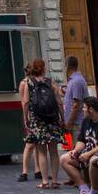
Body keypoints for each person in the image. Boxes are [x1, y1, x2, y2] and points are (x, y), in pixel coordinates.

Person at [21, 58, 64, 187]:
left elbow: (26, 102)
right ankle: (55, 181)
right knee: (54, 151)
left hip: (38, 120)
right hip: (53, 119)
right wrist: (63, 118)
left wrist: (26, 118)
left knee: (41, 151)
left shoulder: (29, 82)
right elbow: (59, 102)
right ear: (44, 68)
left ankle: (45, 181)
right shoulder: (50, 82)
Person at [61, 97, 98, 192]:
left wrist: (89, 154)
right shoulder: (86, 121)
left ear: (91, 109)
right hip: (85, 154)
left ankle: (96, 190)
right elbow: (81, 140)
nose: (83, 109)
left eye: (84, 107)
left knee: (93, 160)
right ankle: (84, 188)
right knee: (64, 159)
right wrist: (76, 150)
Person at [62, 55, 90, 147]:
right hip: (75, 122)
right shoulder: (74, 80)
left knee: (78, 150)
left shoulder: (76, 81)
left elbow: (77, 104)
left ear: (68, 66)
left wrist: (69, 122)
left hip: (77, 122)